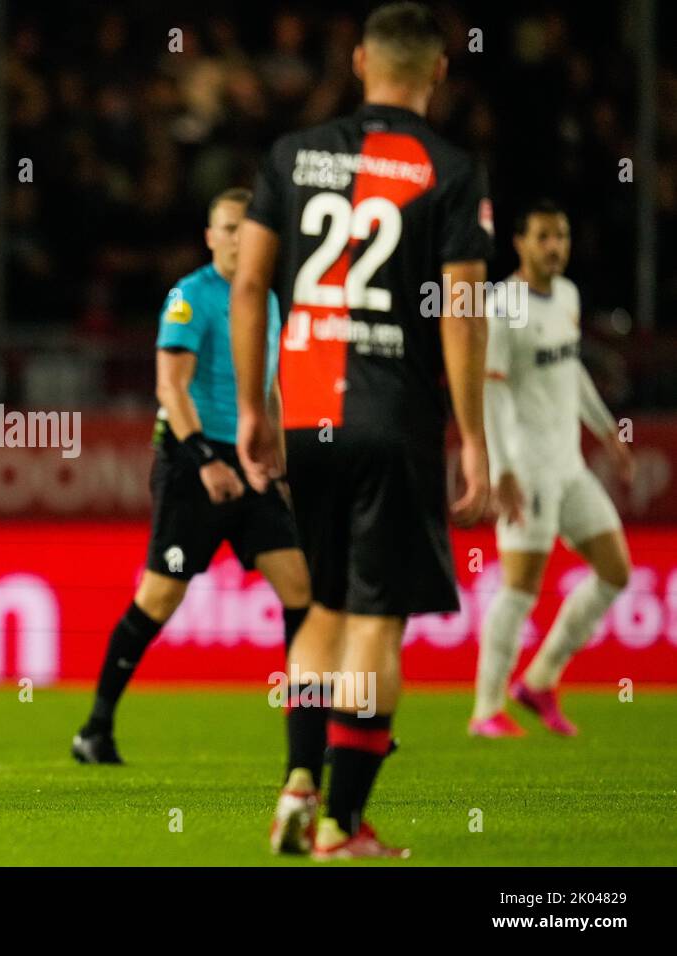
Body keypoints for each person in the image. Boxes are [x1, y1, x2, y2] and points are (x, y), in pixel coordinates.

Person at [232, 2, 493, 858]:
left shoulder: (289, 153)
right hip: (395, 419)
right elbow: (460, 313)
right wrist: (474, 438)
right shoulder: (451, 169)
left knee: (321, 609)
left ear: (357, 61)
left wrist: (253, 410)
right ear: (438, 73)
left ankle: (299, 782)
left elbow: (250, 287)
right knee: (376, 624)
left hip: (307, 414)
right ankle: (343, 824)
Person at [72, 187, 310, 767]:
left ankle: (317, 730)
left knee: (304, 590)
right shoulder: (190, 297)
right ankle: (96, 728)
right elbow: (170, 387)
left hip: (251, 466)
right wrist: (206, 459)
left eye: (245, 228)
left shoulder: (268, 300)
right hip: (190, 463)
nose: (236, 238)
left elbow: (272, 391)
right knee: (159, 597)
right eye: (226, 228)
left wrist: (280, 467)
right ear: (210, 236)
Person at [471, 199, 632, 738]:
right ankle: (485, 710)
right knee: (520, 588)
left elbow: (573, 371)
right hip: (528, 467)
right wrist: (503, 470)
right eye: (542, 236)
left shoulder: (567, 295)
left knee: (615, 571)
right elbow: (490, 392)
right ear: (519, 242)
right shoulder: (503, 306)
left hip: (569, 466)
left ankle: (540, 680)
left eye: (560, 235)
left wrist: (608, 431)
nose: (554, 246)